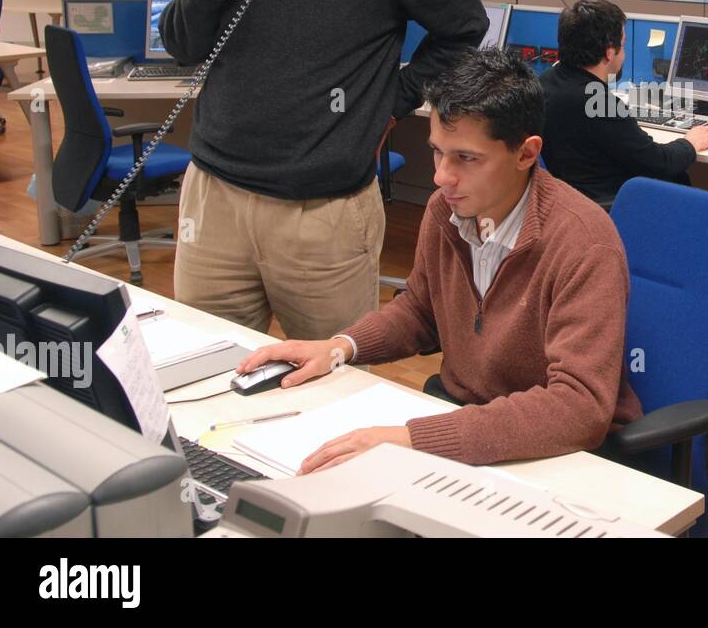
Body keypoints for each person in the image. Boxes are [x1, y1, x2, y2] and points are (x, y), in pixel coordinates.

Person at [160, 0, 487, 341]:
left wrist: (392, 99)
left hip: (323, 212)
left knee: (330, 386)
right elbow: (181, 46)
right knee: (206, 370)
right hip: (213, 199)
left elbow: (462, 27)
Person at [234, 47, 642, 470]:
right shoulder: (445, 210)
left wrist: (415, 438)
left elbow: (578, 409)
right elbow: (420, 311)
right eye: (437, 152)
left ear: (526, 153)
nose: (441, 176)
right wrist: (340, 347)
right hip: (466, 426)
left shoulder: (582, 243)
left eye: (466, 158)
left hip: (563, 456)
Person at [540, 0, 708, 376]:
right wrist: (691, 141)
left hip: (577, 208)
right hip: (617, 211)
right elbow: (659, 162)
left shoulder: (545, 85)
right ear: (610, 51)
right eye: (624, 44)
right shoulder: (597, 101)